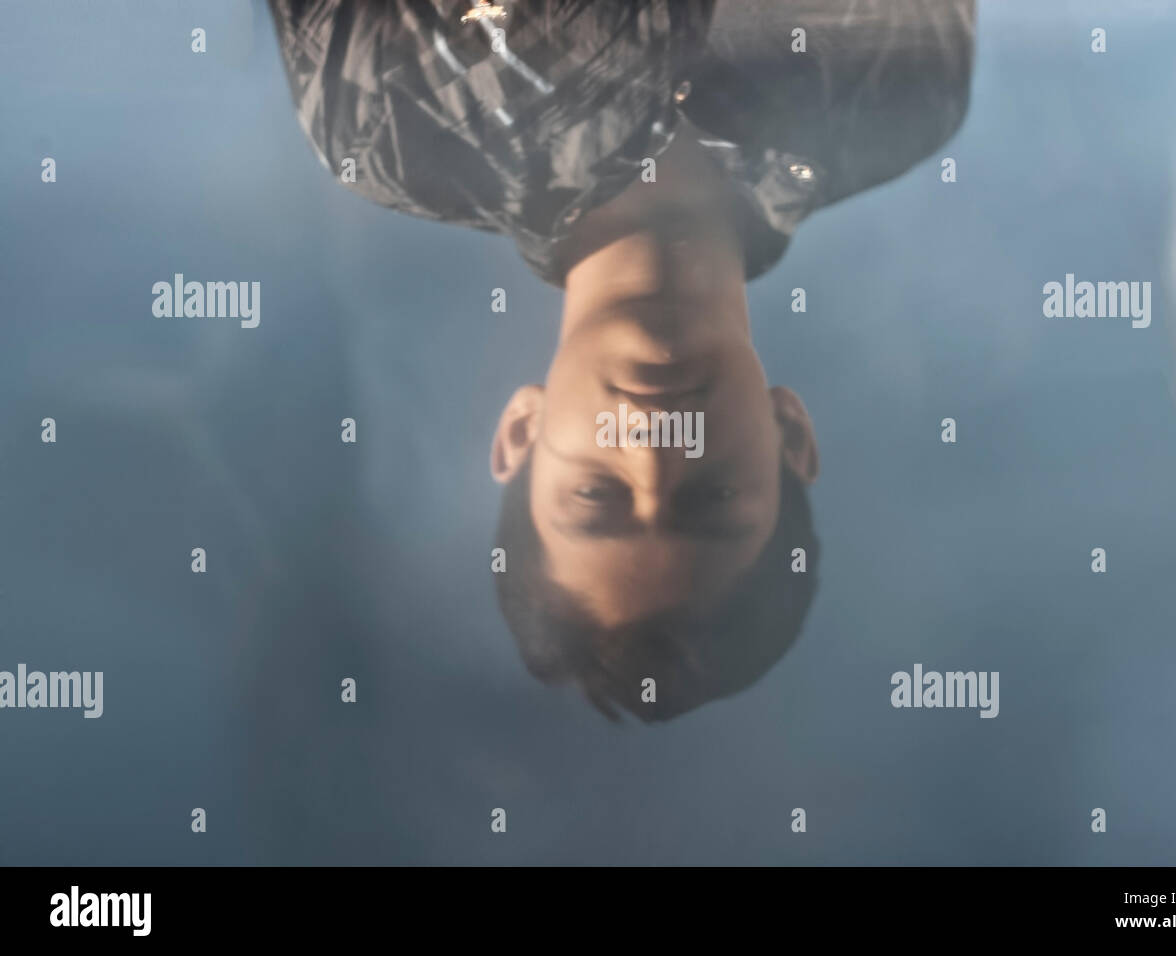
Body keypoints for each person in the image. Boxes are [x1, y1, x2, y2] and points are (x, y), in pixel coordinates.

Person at [269, 0, 975, 719]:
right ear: (790, 435)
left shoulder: (388, 119)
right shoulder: (902, 92)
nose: (654, 452)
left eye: (596, 497)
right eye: (712, 497)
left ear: (520, 435)